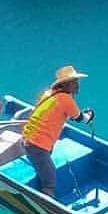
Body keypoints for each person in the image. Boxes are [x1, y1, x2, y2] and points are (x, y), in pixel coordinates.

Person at [21, 65, 94, 196]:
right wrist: (89, 116)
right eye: (74, 82)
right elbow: (79, 117)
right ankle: (48, 198)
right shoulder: (66, 100)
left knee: (43, 164)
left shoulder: (48, 94)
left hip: (28, 138)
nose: (77, 85)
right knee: (50, 179)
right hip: (38, 144)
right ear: (65, 84)